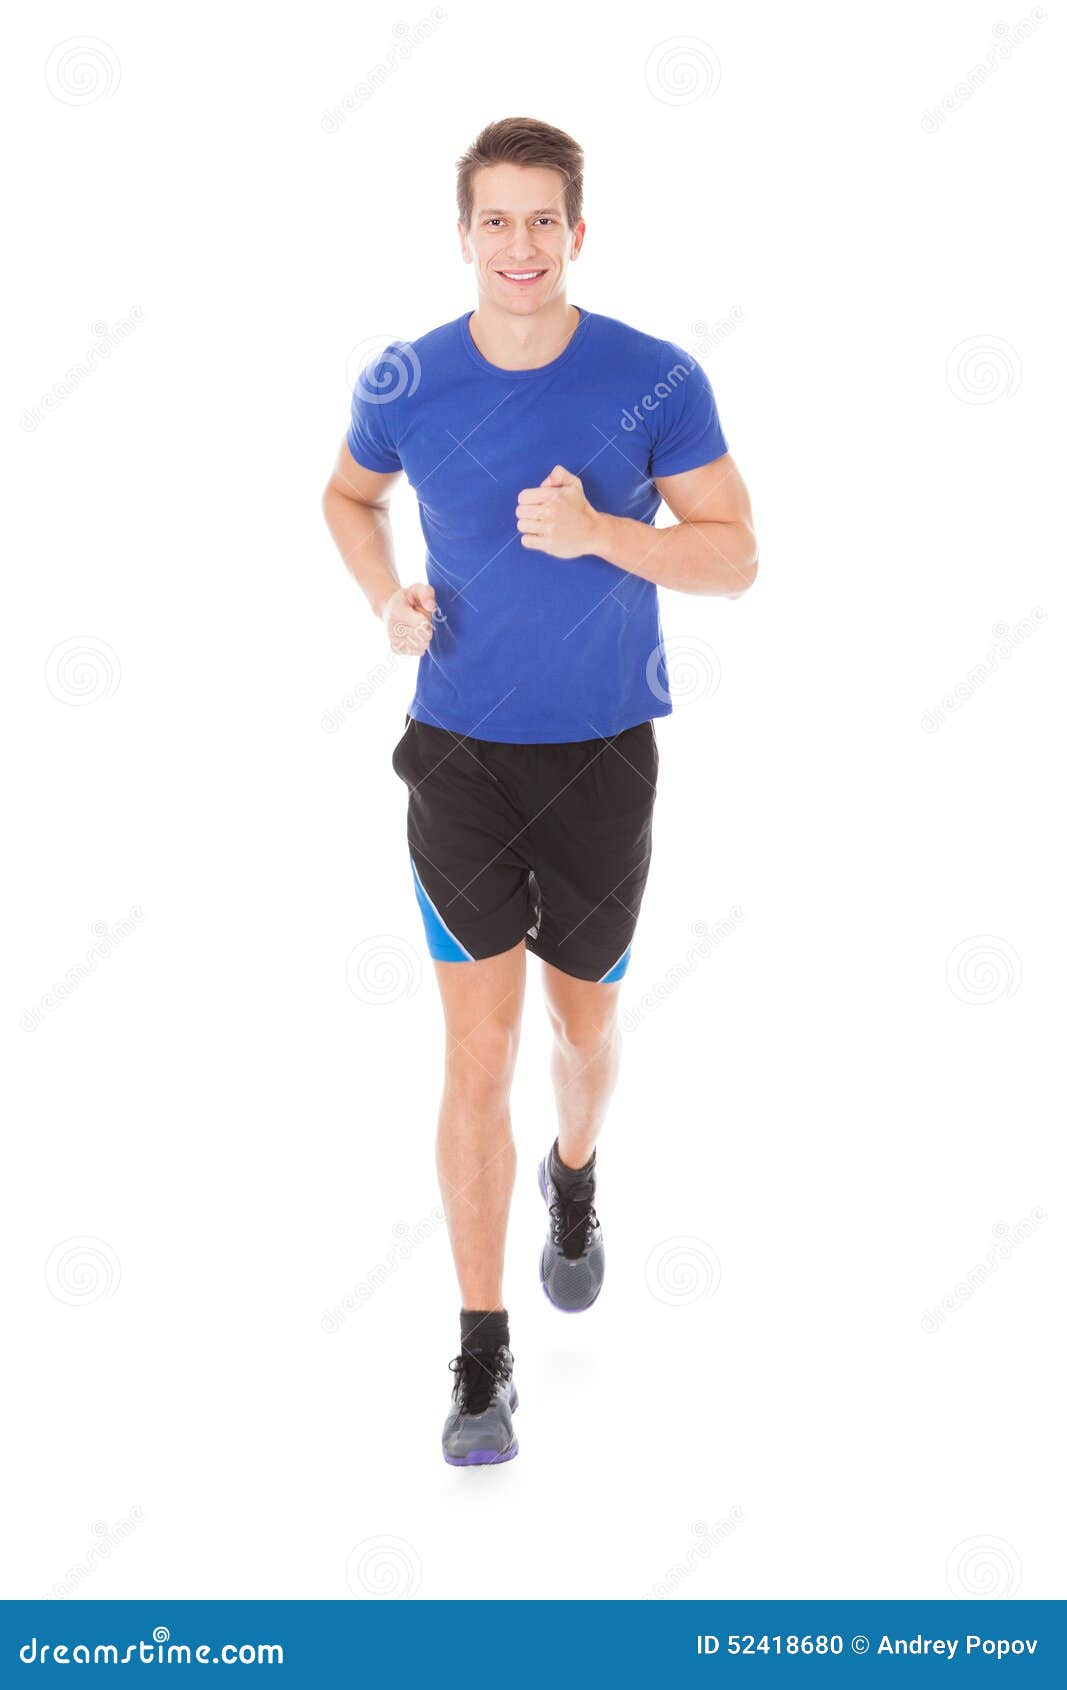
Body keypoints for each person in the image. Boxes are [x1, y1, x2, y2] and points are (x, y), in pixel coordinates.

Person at [322, 116, 758, 1466]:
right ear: (465, 234)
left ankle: (575, 1178)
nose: (520, 246)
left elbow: (736, 552)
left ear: (580, 230)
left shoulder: (654, 376)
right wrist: (384, 592)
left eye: (543, 221)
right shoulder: (406, 374)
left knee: (581, 1036)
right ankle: (480, 1351)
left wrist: (603, 533)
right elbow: (346, 497)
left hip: (601, 755)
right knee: (475, 1054)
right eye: (495, 221)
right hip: (455, 752)